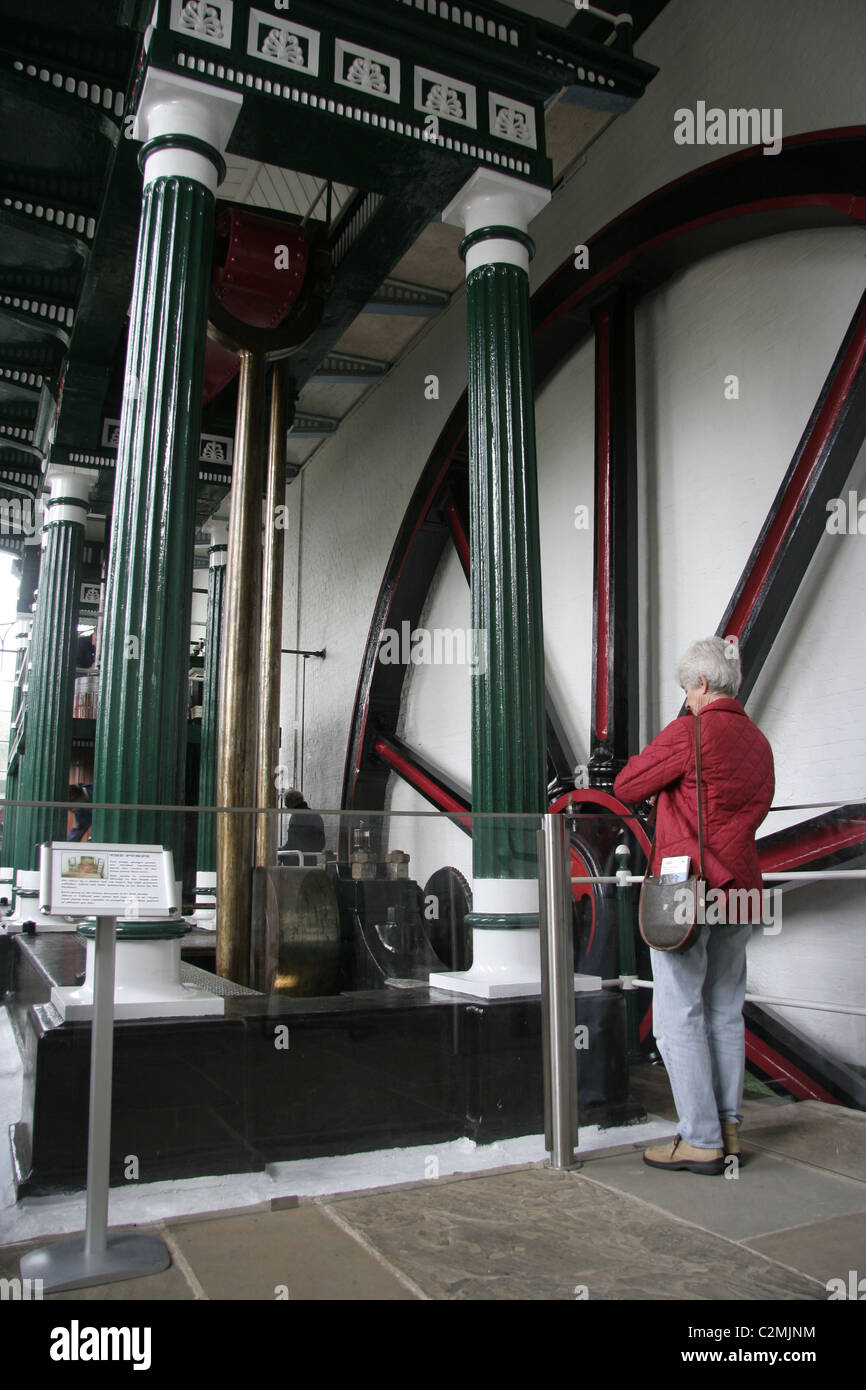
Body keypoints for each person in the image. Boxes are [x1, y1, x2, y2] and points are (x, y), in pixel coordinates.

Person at [613, 637, 774, 1175]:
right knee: (726, 1010)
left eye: (686, 687)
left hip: (689, 892)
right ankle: (727, 1125)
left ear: (701, 685)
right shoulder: (758, 743)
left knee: (677, 1015)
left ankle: (700, 1138)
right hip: (741, 889)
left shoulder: (690, 732)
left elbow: (628, 783)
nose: (685, 697)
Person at [279, 788, 325, 855]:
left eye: (287, 803)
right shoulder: (315, 815)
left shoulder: (297, 816)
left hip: (299, 859)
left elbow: (293, 843)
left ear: (293, 802)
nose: (286, 806)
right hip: (312, 858)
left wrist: (281, 851)